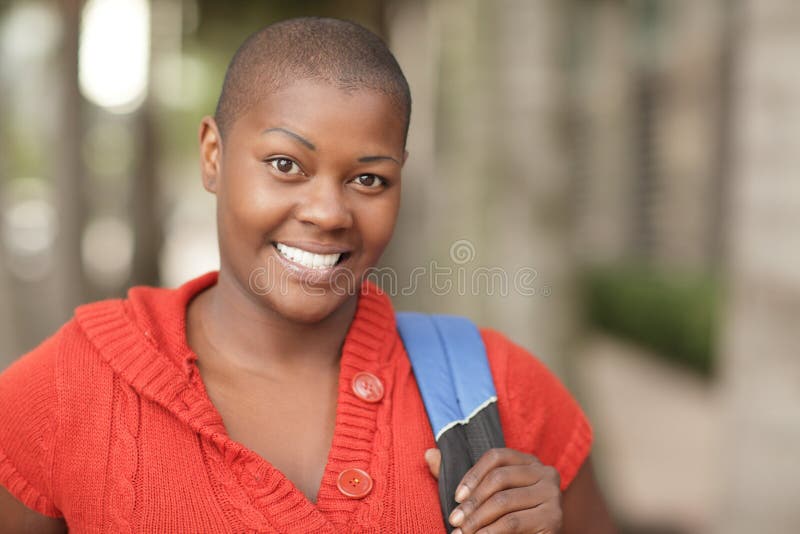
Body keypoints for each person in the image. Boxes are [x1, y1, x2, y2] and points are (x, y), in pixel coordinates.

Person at [0, 17, 616, 533]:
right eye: (285, 164)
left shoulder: (495, 390)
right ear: (213, 155)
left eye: (369, 179)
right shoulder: (73, 387)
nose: (328, 213)